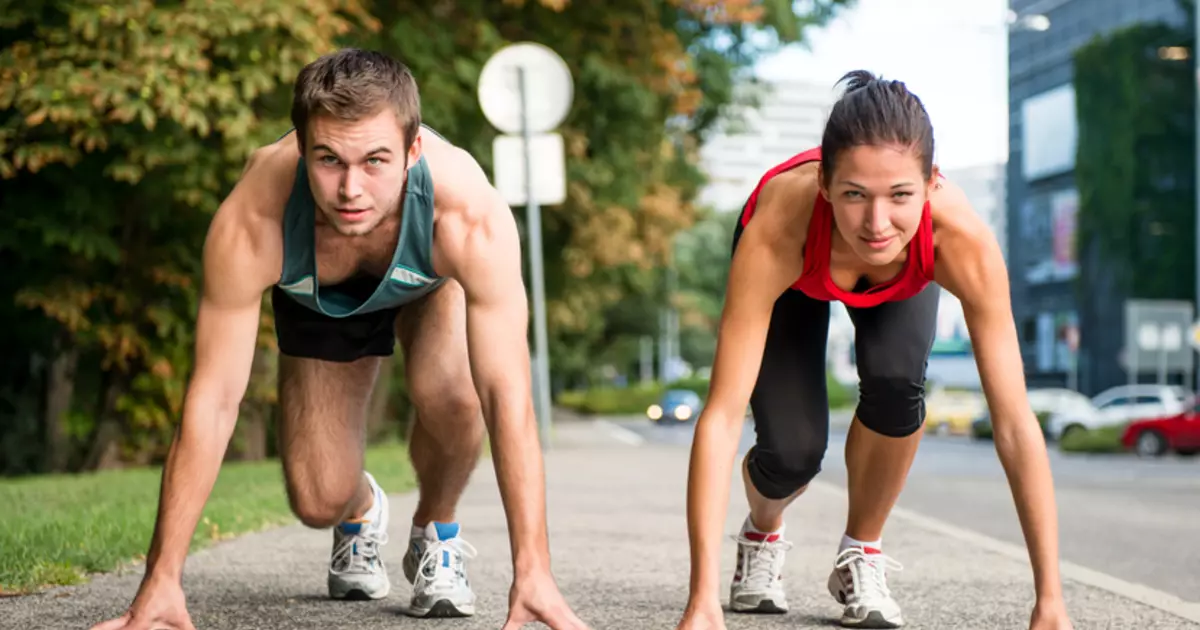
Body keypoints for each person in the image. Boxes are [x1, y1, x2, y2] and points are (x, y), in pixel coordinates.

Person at [91, 48, 588, 630]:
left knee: (452, 394)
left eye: (376, 160)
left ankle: (437, 531)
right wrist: (161, 579)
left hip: (426, 285)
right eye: (329, 159)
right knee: (317, 500)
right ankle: (360, 510)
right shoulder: (255, 219)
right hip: (317, 300)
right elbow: (213, 400)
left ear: (413, 150)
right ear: (302, 150)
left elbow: (508, 398)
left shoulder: (467, 217)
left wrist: (534, 571)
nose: (351, 189)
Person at [673, 70, 1074, 630]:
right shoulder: (779, 230)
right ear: (824, 184)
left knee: (896, 384)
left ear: (932, 184)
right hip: (796, 279)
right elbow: (719, 417)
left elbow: (1013, 424)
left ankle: (861, 551)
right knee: (792, 453)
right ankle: (762, 533)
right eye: (854, 195)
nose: (878, 223)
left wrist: (1051, 601)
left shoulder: (961, 242)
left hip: (905, 281)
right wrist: (701, 600)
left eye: (901, 195)